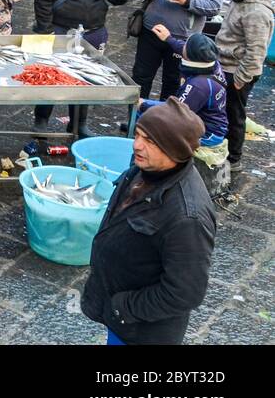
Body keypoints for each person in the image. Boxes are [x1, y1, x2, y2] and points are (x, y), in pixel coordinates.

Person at [80, 98, 216, 345]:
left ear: (175, 150)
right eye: (139, 135)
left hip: (141, 332)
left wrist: (123, 308)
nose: (137, 146)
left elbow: (186, 292)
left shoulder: (188, 217)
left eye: (151, 141)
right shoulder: (146, 166)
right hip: (118, 318)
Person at [32, 0, 135, 133]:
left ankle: (79, 123)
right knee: (52, 74)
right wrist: (47, 31)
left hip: (93, 32)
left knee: (86, 78)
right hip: (61, 30)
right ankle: (41, 119)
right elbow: (43, 0)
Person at [215, 0, 273, 167]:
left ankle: (233, 158)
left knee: (234, 115)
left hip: (237, 72)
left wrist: (240, 79)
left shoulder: (257, 12)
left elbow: (256, 52)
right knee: (221, 112)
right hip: (223, 65)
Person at [149, 28, 227, 147]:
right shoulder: (211, 62)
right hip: (207, 119)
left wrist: (144, 104)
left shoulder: (198, 86)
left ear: (190, 56)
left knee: (150, 117)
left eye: (186, 44)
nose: (183, 44)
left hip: (208, 134)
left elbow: (176, 112)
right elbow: (185, 50)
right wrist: (168, 39)